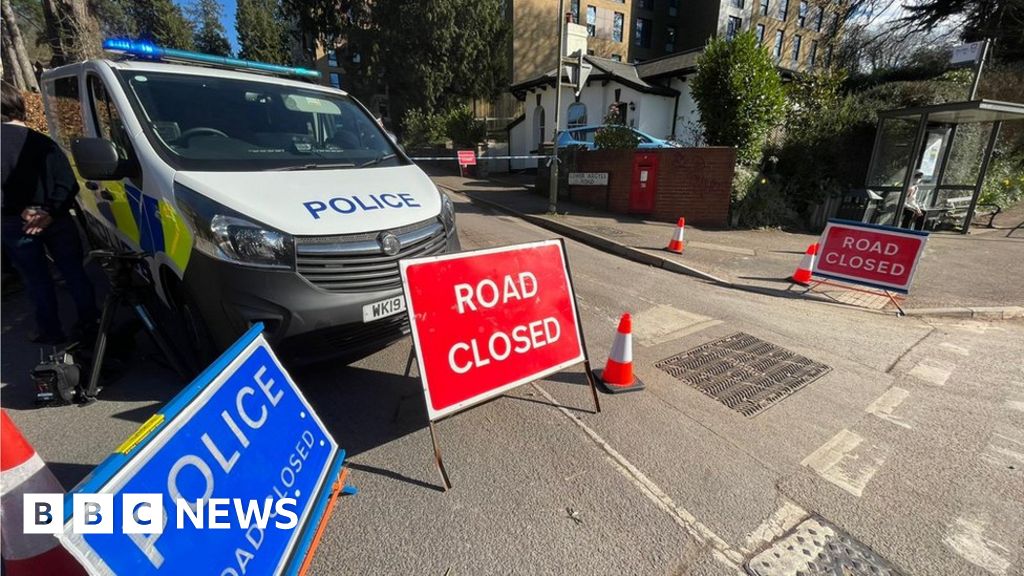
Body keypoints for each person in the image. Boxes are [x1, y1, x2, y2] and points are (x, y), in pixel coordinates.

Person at [1, 81, 98, 344]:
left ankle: (50, 330)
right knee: (74, 272)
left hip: (14, 225)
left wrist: (20, 211)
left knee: (36, 280)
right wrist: (49, 211)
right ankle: (91, 325)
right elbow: (68, 182)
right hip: (58, 220)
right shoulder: (44, 143)